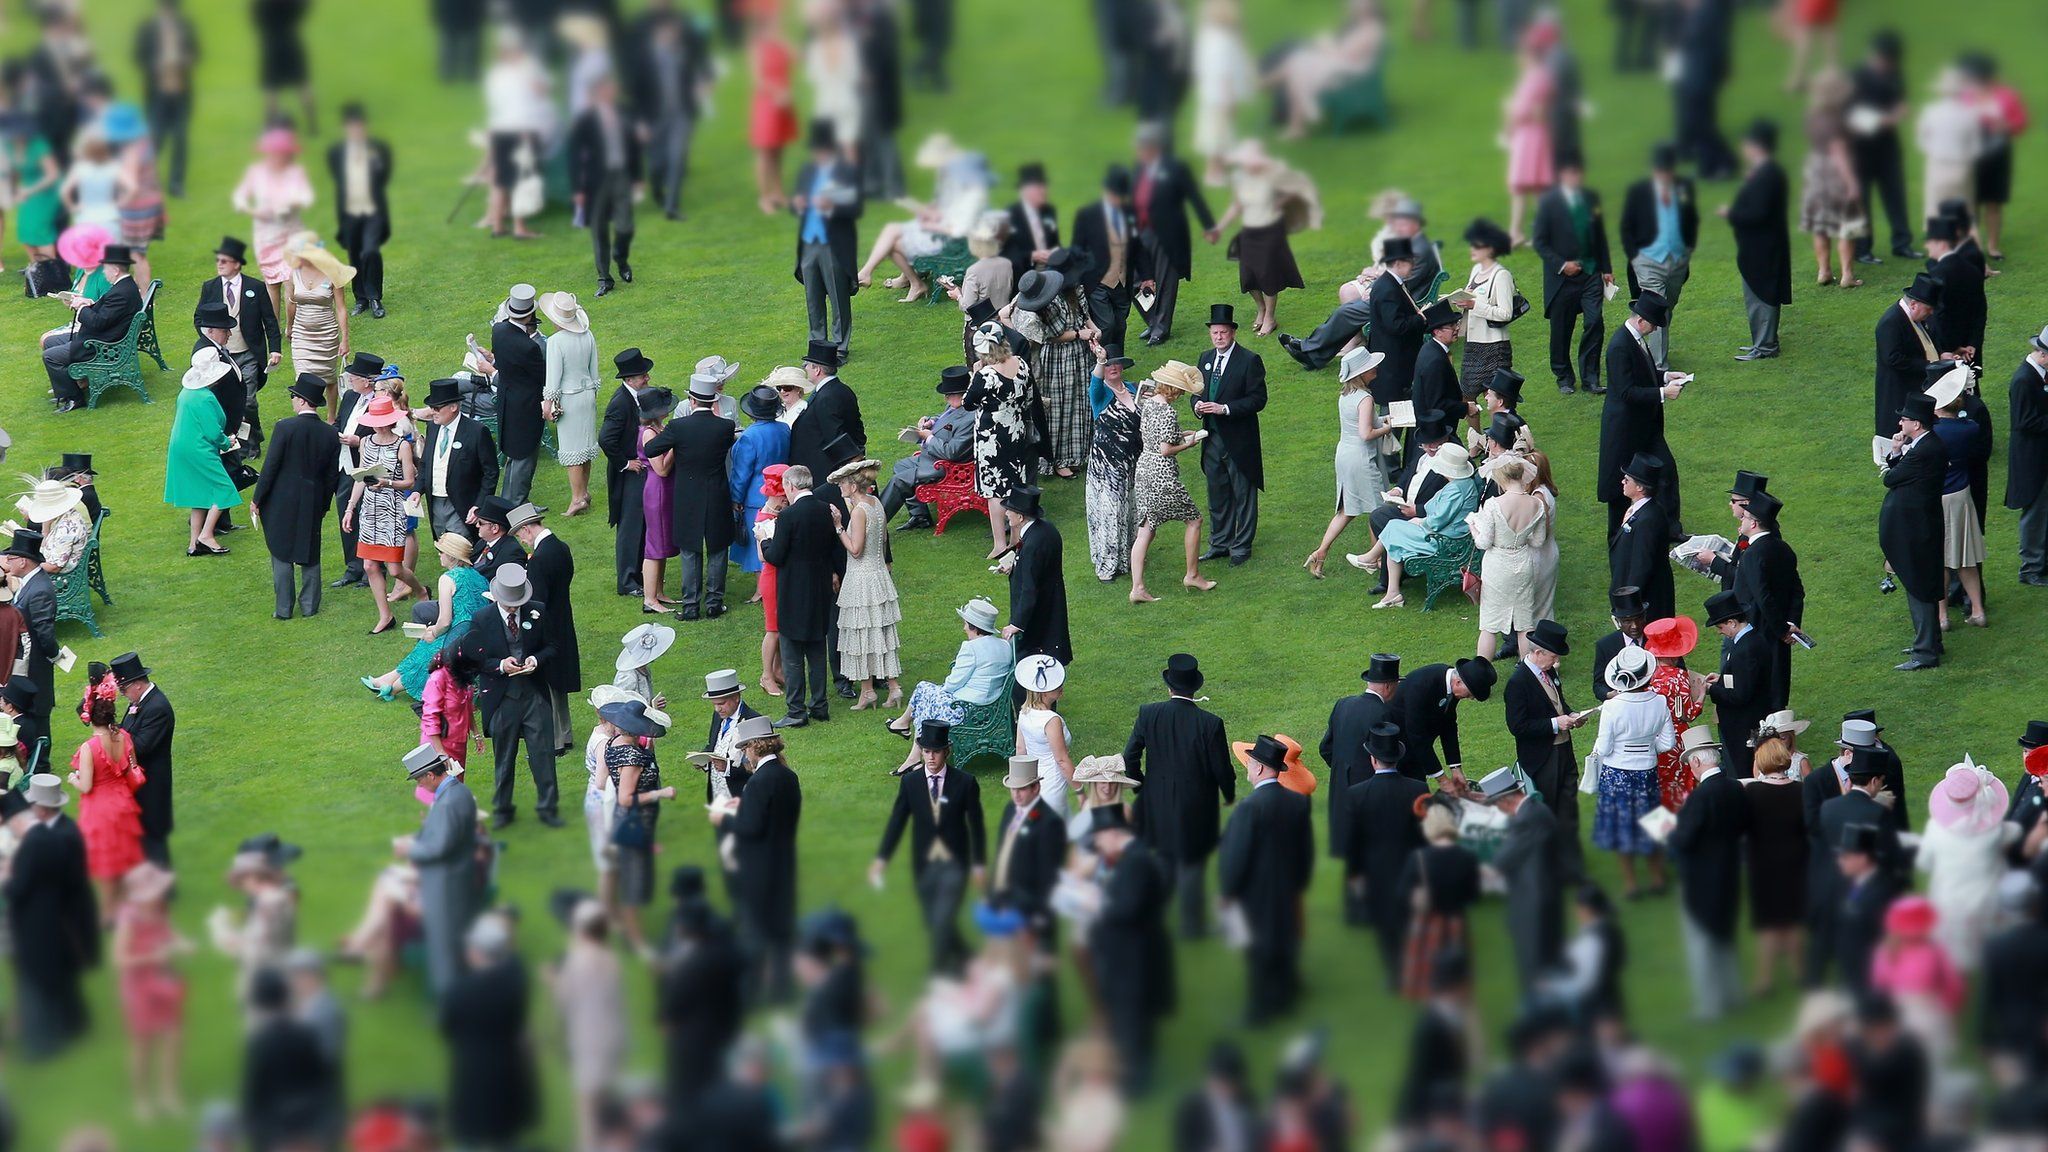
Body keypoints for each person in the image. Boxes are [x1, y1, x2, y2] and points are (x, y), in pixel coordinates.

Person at [1123, 653, 1233, 940]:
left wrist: (1140, 787)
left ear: (1169, 686)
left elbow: (1130, 756)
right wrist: (1229, 794)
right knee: (1192, 863)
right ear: (1194, 688)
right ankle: (1191, 926)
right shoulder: (1210, 723)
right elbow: (1222, 768)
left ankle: (1152, 917)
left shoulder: (1149, 713)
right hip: (1197, 804)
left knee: (1162, 857)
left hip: (1155, 801)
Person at [872, 722, 985, 974]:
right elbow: (898, 820)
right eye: (926, 752)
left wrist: (979, 864)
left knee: (943, 919)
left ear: (947, 751)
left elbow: (976, 825)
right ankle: (967, 959)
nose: (931, 757)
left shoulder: (965, 783)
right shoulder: (911, 783)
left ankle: (940, 973)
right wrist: (882, 858)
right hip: (923, 863)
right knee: (933, 920)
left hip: (955, 863)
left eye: (936, 751)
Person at [458, 563, 561, 829]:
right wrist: (500, 666)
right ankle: (503, 810)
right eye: (510, 604)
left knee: (543, 755)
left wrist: (535, 660)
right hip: (503, 698)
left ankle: (548, 808)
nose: (515, 608)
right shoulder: (482, 618)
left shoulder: (538, 610)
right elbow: (475, 659)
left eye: (518, 603)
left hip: (534, 695)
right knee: (504, 758)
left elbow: (553, 647)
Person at [1084, 806, 1173, 1095]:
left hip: (1133, 957)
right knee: (1130, 1017)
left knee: (1132, 1019)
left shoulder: (1134, 863)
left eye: (1098, 839)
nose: (1097, 846)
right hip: (1130, 953)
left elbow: (1127, 909)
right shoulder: (1131, 858)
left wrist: (1095, 904)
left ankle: (1135, 1081)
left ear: (1112, 834)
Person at [716, 715, 803, 1003]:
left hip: (759, 868)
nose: (743, 753)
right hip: (784, 863)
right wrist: (745, 807)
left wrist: (725, 818)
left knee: (755, 932)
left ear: (754, 747)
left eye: (744, 748)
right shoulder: (787, 776)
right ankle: (782, 989)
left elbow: (750, 829)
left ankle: (751, 993)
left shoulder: (758, 782)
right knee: (780, 930)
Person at [1666, 727, 1748, 1020]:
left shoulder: (1700, 799)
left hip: (1701, 879)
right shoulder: (1735, 788)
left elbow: (1683, 841)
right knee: (1725, 936)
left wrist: (1667, 831)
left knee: (1702, 944)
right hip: (1728, 872)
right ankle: (1734, 994)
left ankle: (1710, 1006)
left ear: (1697, 762)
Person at [440, 915, 539, 1151]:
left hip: (473, 1068)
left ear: (475, 952)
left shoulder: (460, 992)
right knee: (505, 1133)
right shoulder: (516, 980)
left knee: (471, 1135)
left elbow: (448, 1027)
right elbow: (514, 961)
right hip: (508, 1066)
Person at [645, 379, 738, 620]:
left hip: (687, 496)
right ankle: (714, 603)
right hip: (717, 493)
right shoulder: (725, 427)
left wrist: (675, 443)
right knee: (718, 549)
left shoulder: (679, 427)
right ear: (713, 401)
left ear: (692, 400)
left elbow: (651, 449)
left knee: (690, 550)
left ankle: (690, 606)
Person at [1352, 441, 1481, 612]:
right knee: (1394, 535)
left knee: (1393, 528)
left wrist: (1420, 522)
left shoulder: (1457, 488)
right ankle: (1392, 593)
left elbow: (1437, 521)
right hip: (1444, 535)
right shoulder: (1458, 484)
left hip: (1445, 541)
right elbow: (1434, 508)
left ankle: (1370, 560)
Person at [762, 464, 845, 726]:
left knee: (793, 655)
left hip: (793, 593)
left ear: (791, 486)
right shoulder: (826, 510)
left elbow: (775, 556)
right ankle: (819, 705)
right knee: (817, 651)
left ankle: (796, 711)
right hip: (820, 589)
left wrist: (765, 540)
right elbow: (833, 548)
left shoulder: (788, 517)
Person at [1345, 722, 1428, 983]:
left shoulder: (1356, 795)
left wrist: (1355, 876)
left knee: (1385, 925)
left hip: (1375, 871)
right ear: (1398, 757)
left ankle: (1396, 972)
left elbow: (1353, 842)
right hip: (1412, 868)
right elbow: (1427, 836)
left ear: (1372, 760)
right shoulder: (1418, 789)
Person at [252, 376, 341, 620]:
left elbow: (270, 467)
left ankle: (283, 608)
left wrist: (257, 498)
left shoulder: (285, 428)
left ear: (302, 401)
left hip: (281, 499)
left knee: (281, 552)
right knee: (310, 551)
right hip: (312, 499)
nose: (291, 401)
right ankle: (310, 606)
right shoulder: (330, 434)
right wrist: (323, 504)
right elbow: (332, 475)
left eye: (293, 396)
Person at [1592, 645, 1676, 897]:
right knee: (1654, 823)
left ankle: (1630, 884)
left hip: (1618, 772)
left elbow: (1604, 748)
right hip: (1648, 770)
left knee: (1622, 828)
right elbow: (1668, 743)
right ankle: (1658, 877)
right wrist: (1646, 747)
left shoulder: (1612, 707)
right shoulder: (1659, 701)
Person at [1129, 361, 1216, 601]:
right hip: (1161, 473)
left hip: (1144, 468)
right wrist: (1188, 443)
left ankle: (1137, 588)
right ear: (1175, 389)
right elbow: (1166, 450)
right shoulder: (1168, 411)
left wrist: (1180, 433)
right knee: (1195, 520)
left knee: (1146, 528)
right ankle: (1192, 575)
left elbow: (1154, 435)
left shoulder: (1147, 404)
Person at [396, 743, 478, 999]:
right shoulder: (458, 792)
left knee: (443, 948)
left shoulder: (447, 802)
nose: (419, 786)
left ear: (431, 775)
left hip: (445, 884)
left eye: (419, 781)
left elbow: (439, 848)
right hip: (456, 878)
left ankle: (449, 1005)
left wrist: (409, 849)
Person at [1302, 348, 1392, 579]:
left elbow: (1360, 424)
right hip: (1362, 459)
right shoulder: (1366, 398)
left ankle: (1320, 553)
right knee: (1378, 510)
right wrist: (1388, 428)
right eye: (1371, 366)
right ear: (1362, 372)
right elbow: (1366, 433)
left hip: (1345, 455)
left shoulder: (1346, 395)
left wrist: (1382, 420)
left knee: (1346, 510)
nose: (1375, 368)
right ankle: (1377, 560)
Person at [341, 393, 427, 633]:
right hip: (370, 510)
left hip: (392, 508)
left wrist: (386, 483)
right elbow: (361, 478)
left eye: (381, 421)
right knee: (369, 566)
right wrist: (350, 508)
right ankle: (385, 616)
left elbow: (410, 481)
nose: (377, 426)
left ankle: (420, 591)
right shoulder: (366, 442)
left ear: (390, 421)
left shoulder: (402, 445)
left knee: (395, 569)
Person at [1915, 758, 2010, 970]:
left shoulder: (1935, 828)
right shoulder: (1993, 831)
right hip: (1985, 903)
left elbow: (1924, 864)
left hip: (1949, 902)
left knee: (1955, 961)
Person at [1530, 154, 1613, 395]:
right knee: (1561, 330)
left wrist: (1606, 267)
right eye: (1571, 173)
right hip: (1562, 280)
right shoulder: (1548, 203)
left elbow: (1599, 235)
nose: (1576, 177)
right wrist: (1561, 265)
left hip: (1590, 274)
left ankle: (1591, 378)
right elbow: (1540, 242)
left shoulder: (1590, 198)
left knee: (1594, 321)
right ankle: (1563, 376)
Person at [1128, 121, 1215, 345]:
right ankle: (1152, 320)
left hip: (1167, 234)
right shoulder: (1138, 169)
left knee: (1165, 280)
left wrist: (1208, 225)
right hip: (1140, 232)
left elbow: (1195, 197)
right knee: (1134, 279)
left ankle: (1161, 328)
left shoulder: (1175, 168)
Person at [1480, 765, 1564, 995]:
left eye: (1496, 804)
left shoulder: (1527, 819)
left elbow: (1503, 859)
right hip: (1543, 892)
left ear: (1505, 801)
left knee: (1535, 959)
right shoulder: (1535, 810)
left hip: (1534, 899)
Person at [1881, 392, 1950, 670]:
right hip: (1918, 526)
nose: (1900, 423)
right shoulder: (1926, 446)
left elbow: (1891, 478)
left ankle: (1925, 651)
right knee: (1921, 584)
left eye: (1905, 419)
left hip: (1915, 529)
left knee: (1919, 586)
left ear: (1917, 425)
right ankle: (1930, 642)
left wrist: (1897, 452)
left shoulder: (1924, 451)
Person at [1194, 305, 1267, 565]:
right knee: (1217, 493)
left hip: (1238, 440)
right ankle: (1220, 542)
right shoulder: (1204, 359)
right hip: (1211, 438)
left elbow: (1258, 399)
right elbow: (1197, 390)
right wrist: (1197, 405)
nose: (1218, 337)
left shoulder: (1249, 360)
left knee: (1243, 494)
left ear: (1233, 332)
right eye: (1215, 333)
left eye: (1223, 332)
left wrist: (1225, 408)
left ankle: (1241, 546)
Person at [1741, 719, 1810, 995]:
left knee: (1769, 922)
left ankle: (1765, 978)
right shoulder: (1801, 791)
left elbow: (1745, 828)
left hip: (1763, 862)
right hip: (1796, 860)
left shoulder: (1753, 792)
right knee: (1793, 918)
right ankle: (1799, 971)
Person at [508, 504, 581, 756]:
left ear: (527, 529)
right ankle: (565, 734)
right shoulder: (561, 547)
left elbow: (536, 603)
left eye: (520, 535)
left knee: (545, 686)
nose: (522, 540)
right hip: (563, 621)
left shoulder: (539, 560)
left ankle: (554, 741)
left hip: (547, 628)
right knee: (558, 685)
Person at [828, 457, 902, 708]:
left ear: (852, 486)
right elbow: (881, 542)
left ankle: (868, 690)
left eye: (842, 484)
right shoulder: (876, 503)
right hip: (878, 573)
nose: (840, 488)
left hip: (862, 578)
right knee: (880, 633)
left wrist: (839, 527)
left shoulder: (859, 511)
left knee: (861, 635)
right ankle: (891, 688)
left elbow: (855, 549)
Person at [1618, 145, 1697, 373]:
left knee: (1667, 307)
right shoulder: (1638, 191)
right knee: (1657, 307)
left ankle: (1641, 347)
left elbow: (1691, 218)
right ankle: (1658, 366)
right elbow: (1627, 226)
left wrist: (1688, 247)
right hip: (1648, 259)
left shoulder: (1684, 187)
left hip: (1678, 260)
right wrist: (1635, 256)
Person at [886, 595, 1010, 740]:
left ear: (973, 626)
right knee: (926, 691)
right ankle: (903, 725)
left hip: (967, 709)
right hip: (991, 708)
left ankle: (908, 732)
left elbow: (953, 684)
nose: (964, 628)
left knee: (925, 692)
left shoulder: (971, 648)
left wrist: (938, 692)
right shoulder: (1004, 645)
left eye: (965, 624)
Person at [41, 242, 142, 413]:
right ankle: (66, 390)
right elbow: (108, 313)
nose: (103, 271)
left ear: (115, 270)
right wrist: (90, 303)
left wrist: (81, 308)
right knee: (50, 342)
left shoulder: (121, 292)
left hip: (101, 345)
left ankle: (75, 398)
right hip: (100, 336)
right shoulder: (124, 286)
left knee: (50, 356)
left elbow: (98, 322)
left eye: (105, 268)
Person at [1724, 120, 1794, 362]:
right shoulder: (1766, 172)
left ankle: (1765, 346)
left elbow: (1758, 213)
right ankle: (1761, 342)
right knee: (1756, 295)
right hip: (1760, 246)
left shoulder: (1767, 174)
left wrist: (1731, 213)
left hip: (1762, 248)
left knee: (1761, 295)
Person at [1469, 458, 1553, 657]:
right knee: (1524, 624)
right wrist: (1521, 537)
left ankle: (1480, 674)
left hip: (1498, 564)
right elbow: (1539, 541)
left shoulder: (1493, 504)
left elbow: (1483, 543)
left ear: (1502, 477)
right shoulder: (1536, 504)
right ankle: (1528, 671)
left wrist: (1473, 527)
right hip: (1524, 563)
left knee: (1489, 625)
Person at [792, 120, 863, 357]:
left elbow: (855, 207)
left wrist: (832, 204)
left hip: (833, 244)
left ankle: (840, 347)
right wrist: (798, 204)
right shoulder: (808, 171)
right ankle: (818, 346)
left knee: (838, 298)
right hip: (809, 243)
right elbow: (796, 204)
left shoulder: (845, 172)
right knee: (813, 299)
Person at [568, 75, 643, 299]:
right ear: (598, 92)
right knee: (598, 227)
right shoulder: (586, 119)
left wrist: (638, 175)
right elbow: (573, 154)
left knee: (625, 225)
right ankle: (605, 278)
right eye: (607, 88)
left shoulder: (624, 112)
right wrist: (577, 189)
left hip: (621, 175)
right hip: (595, 181)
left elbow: (634, 146)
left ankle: (621, 257)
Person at [1927, 367, 1990, 628]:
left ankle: (1941, 617)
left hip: (1938, 499)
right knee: (1967, 557)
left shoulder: (1933, 434)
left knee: (1938, 561)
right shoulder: (1969, 427)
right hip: (1962, 497)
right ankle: (1977, 610)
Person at [196, 236, 283, 425]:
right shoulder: (210, 287)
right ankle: (233, 440)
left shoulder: (256, 287)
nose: (219, 264)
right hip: (222, 356)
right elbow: (198, 319)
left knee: (249, 401)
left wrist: (275, 349)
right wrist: (210, 342)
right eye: (218, 260)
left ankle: (253, 441)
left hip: (249, 353)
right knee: (226, 400)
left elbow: (269, 320)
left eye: (224, 261)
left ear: (236, 264)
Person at [230, 127, 313, 318]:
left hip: (291, 233)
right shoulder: (256, 172)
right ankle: (273, 328)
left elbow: (306, 197)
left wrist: (292, 204)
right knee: (272, 283)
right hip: (266, 235)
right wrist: (253, 211)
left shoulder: (295, 172)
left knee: (292, 281)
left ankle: (292, 328)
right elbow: (239, 197)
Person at [165, 347, 241, 556]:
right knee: (224, 489)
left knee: (198, 495)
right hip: (199, 449)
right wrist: (228, 443)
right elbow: (212, 432)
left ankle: (194, 544)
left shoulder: (186, 393)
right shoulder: (205, 397)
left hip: (182, 447)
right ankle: (206, 535)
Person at [1801, 71, 1872, 291]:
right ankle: (1847, 275)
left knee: (1820, 226)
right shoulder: (1836, 120)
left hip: (1816, 170)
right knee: (1846, 227)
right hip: (1835, 173)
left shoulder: (1812, 115)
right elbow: (1839, 151)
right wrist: (1851, 182)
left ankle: (1824, 270)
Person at [880, 366, 971, 529]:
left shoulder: (970, 417)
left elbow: (952, 452)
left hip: (948, 468)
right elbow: (947, 420)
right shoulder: (956, 406)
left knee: (899, 481)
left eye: (949, 395)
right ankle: (919, 516)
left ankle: (873, 523)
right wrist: (931, 421)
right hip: (933, 458)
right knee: (900, 466)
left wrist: (928, 437)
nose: (946, 399)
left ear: (962, 394)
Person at [537, 291, 599, 517]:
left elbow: (553, 378)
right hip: (588, 395)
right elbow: (594, 372)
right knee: (585, 447)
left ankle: (577, 498)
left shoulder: (555, 342)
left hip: (569, 399)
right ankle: (584, 493)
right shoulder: (588, 335)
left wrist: (548, 403)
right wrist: (592, 392)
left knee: (573, 451)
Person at [416, 377, 500, 542]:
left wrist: (479, 504)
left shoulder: (476, 431)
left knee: (460, 547)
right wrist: (417, 491)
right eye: (431, 407)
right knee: (443, 548)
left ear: (453, 407)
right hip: (435, 502)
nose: (432, 411)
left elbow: (491, 472)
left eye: (436, 407)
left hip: (462, 504)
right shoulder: (433, 427)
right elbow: (426, 463)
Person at [486, 283, 547, 505]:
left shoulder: (499, 330)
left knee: (513, 455)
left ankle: (508, 500)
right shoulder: (529, 347)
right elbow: (543, 376)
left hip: (507, 401)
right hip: (526, 408)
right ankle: (517, 505)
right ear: (531, 314)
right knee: (525, 457)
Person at [112, 653, 174, 867]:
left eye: (124, 689)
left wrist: (113, 736)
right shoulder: (139, 701)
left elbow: (141, 746)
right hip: (140, 784)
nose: (123, 694)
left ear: (137, 684)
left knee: (153, 838)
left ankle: (161, 891)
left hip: (153, 786)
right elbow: (125, 729)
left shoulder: (157, 708)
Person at [1001, 484, 1072, 668]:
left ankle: (1034, 695)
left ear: (1020, 516)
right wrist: (1014, 566)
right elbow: (1039, 566)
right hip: (1051, 601)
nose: (1006, 513)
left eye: (1010, 510)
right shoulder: (1047, 529)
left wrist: (1017, 623)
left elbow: (1029, 588)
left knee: (1032, 658)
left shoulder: (1032, 543)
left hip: (1036, 612)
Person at [788, 341, 867, 484]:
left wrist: (850, 464)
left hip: (825, 473)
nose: (806, 369)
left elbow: (834, 437)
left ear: (817, 369)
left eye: (807, 365)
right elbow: (858, 429)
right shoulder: (843, 389)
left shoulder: (826, 397)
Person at [1072, 169, 1135, 346]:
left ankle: (1117, 365)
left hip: (1123, 281)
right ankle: (1101, 364)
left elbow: (1138, 247)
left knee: (1120, 324)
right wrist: (1078, 282)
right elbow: (1077, 248)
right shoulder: (1087, 215)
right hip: (1097, 281)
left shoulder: (1129, 212)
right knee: (1106, 325)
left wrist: (1147, 277)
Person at [2006, 327, 2048, 585]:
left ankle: (2041, 562)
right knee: (2035, 512)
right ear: (2043, 355)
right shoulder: (2024, 379)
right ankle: (2031, 568)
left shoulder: (2038, 375)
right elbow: (2025, 421)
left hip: (2040, 455)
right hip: (2032, 459)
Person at [1012, 655, 1075, 814]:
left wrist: (1020, 786)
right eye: (1055, 685)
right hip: (1053, 785)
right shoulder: (1051, 720)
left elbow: (1020, 750)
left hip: (1033, 785)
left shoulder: (1024, 712)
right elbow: (1061, 760)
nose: (1061, 687)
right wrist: (1080, 789)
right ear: (1043, 693)